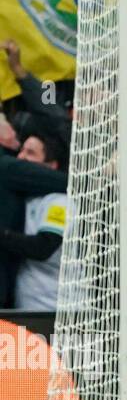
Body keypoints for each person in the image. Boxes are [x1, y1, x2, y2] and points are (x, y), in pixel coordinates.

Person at [0, 129, 69, 312]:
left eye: (30, 153)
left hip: (55, 309)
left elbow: (42, 247)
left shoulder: (59, 201)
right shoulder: (25, 198)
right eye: (21, 151)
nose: (21, 158)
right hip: (23, 306)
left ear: (52, 165)